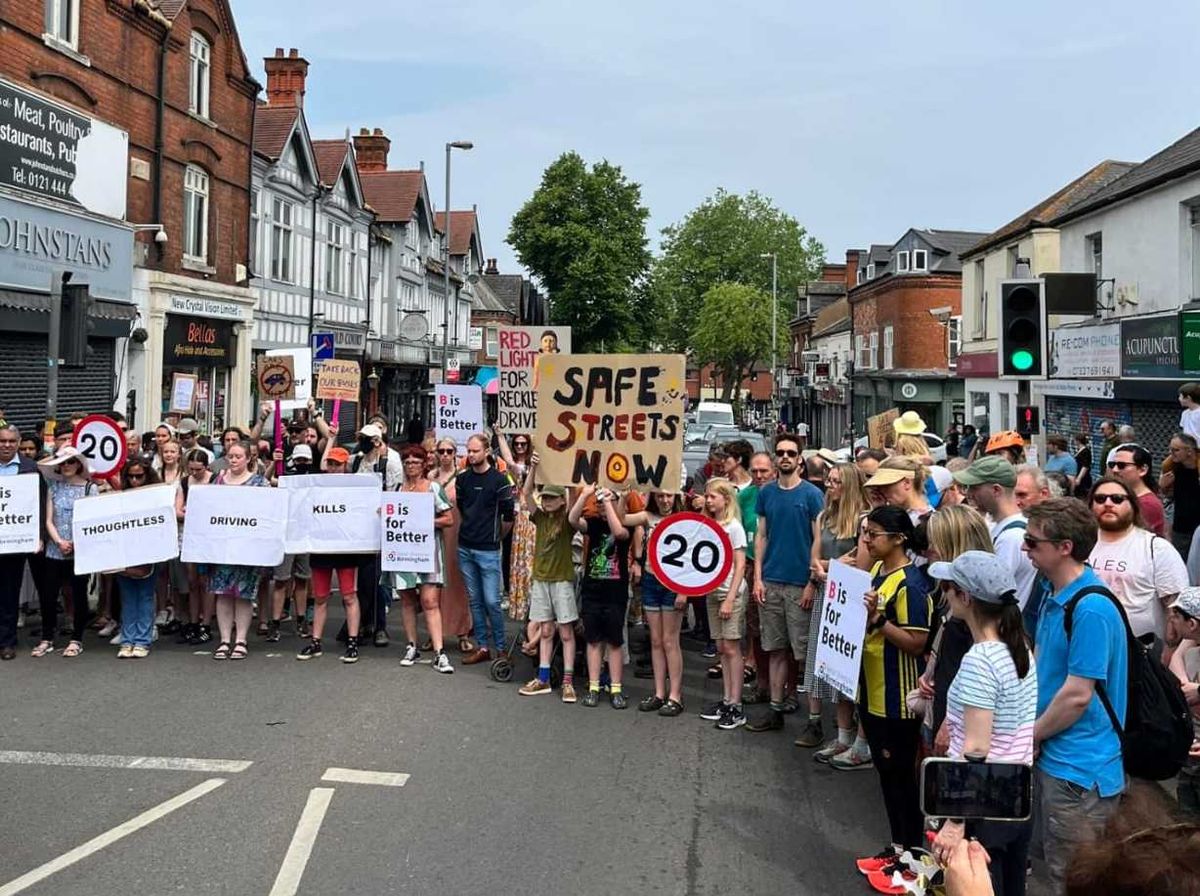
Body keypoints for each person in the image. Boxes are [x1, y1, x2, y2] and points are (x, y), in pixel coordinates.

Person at [1022, 497, 1128, 892]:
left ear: (1064, 547)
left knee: (1075, 878)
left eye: (1033, 543)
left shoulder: (1091, 608)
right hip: (1060, 761)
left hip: (1080, 772)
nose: (1024, 549)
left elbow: (1077, 695)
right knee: (1055, 867)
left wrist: (1031, 734)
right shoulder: (1056, 593)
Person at [928, 551, 1038, 896]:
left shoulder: (981, 659)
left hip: (983, 804)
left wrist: (955, 820)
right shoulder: (1018, 645)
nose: (944, 593)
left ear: (966, 597)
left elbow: (977, 747)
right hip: (1016, 797)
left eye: (948, 587)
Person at [852, 505, 934, 888]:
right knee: (886, 777)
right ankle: (897, 846)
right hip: (870, 690)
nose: (867, 540)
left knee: (901, 778)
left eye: (874, 534)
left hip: (898, 699)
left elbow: (917, 643)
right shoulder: (875, 572)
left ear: (898, 538)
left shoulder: (911, 584)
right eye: (866, 532)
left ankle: (912, 858)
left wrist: (879, 622)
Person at [747, 432, 826, 734]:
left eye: (791, 453)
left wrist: (810, 582)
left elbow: (818, 539)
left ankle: (814, 720)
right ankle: (776, 710)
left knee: (805, 654)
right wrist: (758, 578)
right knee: (775, 649)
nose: (785, 457)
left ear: (800, 459)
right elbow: (761, 536)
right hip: (771, 582)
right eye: (780, 452)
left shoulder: (811, 495)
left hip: (799, 584)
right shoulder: (766, 493)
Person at [805, 462, 870, 759]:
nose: (829, 486)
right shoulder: (823, 516)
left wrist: (827, 568)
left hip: (852, 601)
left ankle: (860, 742)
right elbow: (815, 558)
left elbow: (860, 563)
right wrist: (828, 568)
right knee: (833, 667)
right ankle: (842, 736)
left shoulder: (863, 520)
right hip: (826, 596)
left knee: (852, 672)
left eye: (835, 482)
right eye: (828, 481)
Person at [1087, 476, 1187, 644]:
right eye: (1100, 498)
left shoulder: (1155, 548)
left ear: (1132, 505)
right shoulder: (1078, 545)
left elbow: (1175, 605)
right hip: (1087, 643)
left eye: (1117, 499)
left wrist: (1172, 648)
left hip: (1139, 649)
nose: (1108, 503)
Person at [516, 457, 579, 701]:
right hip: (541, 579)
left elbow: (575, 505)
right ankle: (543, 678)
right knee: (545, 630)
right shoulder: (540, 518)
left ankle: (567, 681)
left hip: (561, 579)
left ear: (562, 499)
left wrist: (572, 481)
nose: (547, 501)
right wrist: (533, 467)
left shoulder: (567, 520)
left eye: (552, 498)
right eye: (546, 498)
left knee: (566, 632)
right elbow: (526, 492)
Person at [390, 444, 456, 674]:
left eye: (415, 462)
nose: (411, 466)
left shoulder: (433, 488)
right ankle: (412, 646)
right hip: (402, 551)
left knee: (429, 600)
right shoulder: (397, 490)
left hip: (428, 552)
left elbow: (448, 519)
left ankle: (439, 651)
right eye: (407, 462)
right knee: (408, 600)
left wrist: (424, 521)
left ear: (424, 464)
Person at [296, 446, 363, 664]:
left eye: (338, 464)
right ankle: (316, 641)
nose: (334, 468)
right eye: (331, 463)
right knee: (321, 596)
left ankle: (353, 640)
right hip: (322, 547)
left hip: (345, 548)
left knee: (349, 596)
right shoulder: (317, 487)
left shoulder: (355, 487)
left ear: (346, 466)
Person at [569, 483, 633, 708]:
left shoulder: (626, 525)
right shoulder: (594, 524)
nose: (603, 506)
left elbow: (618, 532)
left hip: (615, 591)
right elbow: (573, 520)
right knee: (594, 639)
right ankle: (594, 685)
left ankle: (616, 687)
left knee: (614, 641)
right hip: (593, 590)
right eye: (601, 502)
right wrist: (585, 495)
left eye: (609, 500)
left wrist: (610, 501)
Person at [456, 433, 515, 664]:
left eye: (475, 451)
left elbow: (509, 515)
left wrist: (497, 537)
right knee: (475, 600)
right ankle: (483, 646)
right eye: (468, 451)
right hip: (465, 546)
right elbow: (462, 507)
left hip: (489, 549)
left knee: (492, 600)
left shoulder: (499, 481)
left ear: (487, 452)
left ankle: (500, 648)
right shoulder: (463, 480)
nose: (470, 455)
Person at [695, 478, 749, 730]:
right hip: (713, 592)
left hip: (730, 593)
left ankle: (736, 704)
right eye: (706, 496)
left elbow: (740, 564)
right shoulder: (708, 524)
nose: (707, 501)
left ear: (725, 499)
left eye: (712, 497)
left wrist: (730, 597)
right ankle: (727, 699)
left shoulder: (733, 527)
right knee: (721, 647)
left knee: (731, 648)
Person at [627, 491, 687, 715]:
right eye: (660, 496)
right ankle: (660, 692)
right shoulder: (648, 516)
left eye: (669, 496)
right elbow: (623, 518)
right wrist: (622, 494)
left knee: (670, 641)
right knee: (655, 640)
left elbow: (690, 557)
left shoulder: (683, 519)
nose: (665, 500)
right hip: (651, 579)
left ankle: (675, 695)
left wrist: (684, 591)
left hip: (674, 583)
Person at [208, 440, 268, 661]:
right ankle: (224, 640)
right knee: (222, 593)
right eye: (230, 456)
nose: (233, 460)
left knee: (243, 594)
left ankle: (241, 639)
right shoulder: (217, 482)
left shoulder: (260, 484)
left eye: (238, 456)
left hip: (247, 549)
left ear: (248, 458)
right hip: (222, 547)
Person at [34, 446, 96, 658]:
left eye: (70, 462)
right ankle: (47, 637)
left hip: (80, 551)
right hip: (55, 549)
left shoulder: (89, 488)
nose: (66, 466)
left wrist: (76, 542)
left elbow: (92, 520)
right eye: (63, 463)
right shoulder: (54, 487)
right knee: (49, 595)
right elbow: (48, 519)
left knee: (79, 595)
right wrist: (59, 541)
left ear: (79, 464)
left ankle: (76, 638)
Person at [953, 456, 1037, 610]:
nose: (969, 493)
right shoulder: (999, 527)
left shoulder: (1011, 538)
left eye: (975, 487)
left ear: (996, 490)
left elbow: (990, 593)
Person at [429, 438, 474, 653]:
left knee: (457, 582)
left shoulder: (463, 477)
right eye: (441, 451)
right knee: (433, 584)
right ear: (436, 453)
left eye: (449, 451)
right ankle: (434, 633)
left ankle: (463, 632)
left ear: (456, 453)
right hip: (434, 532)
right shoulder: (430, 477)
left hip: (457, 531)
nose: (445, 455)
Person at [114, 460, 162, 658]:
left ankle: (142, 640)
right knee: (127, 597)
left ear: (147, 476)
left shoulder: (156, 497)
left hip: (148, 552)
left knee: (145, 596)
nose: (134, 480)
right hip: (125, 551)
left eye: (139, 476)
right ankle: (127, 640)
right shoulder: (119, 498)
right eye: (130, 476)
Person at [495, 426, 535, 622]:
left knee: (530, 559)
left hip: (534, 515)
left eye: (523, 444)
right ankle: (516, 595)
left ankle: (531, 595)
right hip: (519, 514)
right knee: (516, 556)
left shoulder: (536, 466)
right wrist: (500, 435)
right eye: (517, 444)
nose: (520, 446)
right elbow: (508, 460)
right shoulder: (516, 468)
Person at [1166, 588, 1200, 816]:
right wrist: (1185, 686)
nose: (1171, 622)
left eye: (1177, 617)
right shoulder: (1191, 642)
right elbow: (1175, 659)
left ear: (1192, 624)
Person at [175, 449, 214, 644]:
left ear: (206, 467)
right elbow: (177, 511)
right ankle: (192, 622)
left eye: (198, 470)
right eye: (191, 469)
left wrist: (191, 512)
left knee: (205, 582)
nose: (194, 473)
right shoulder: (184, 482)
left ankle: (205, 623)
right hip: (188, 536)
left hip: (208, 538)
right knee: (191, 581)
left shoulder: (215, 480)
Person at [1107, 443, 1166, 537]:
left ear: (1142, 470)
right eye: (1112, 464)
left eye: (1121, 465)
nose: (1114, 470)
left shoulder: (1147, 504)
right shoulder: (1123, 496)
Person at [1162, 433, 1200, 560]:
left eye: (1176, 450)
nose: (1171, 453)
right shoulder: (1173, 469)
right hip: (1180, 529)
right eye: (1170, 449)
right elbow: (1169, 496)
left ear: (1189, 451)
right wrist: (1163, 486)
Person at [864, 456, 931, 522]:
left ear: (907, 483)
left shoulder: (925, 520)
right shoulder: (901, 516)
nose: (880, 491)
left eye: (887, 486)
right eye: (879, 486)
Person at [1071, 433, 1093, 498]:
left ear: (1078, 441)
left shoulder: (1085, 451)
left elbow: (1085, 466)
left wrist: (1079, 478)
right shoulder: (1079, 451)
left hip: (1084, 478)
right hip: (1078, 475)